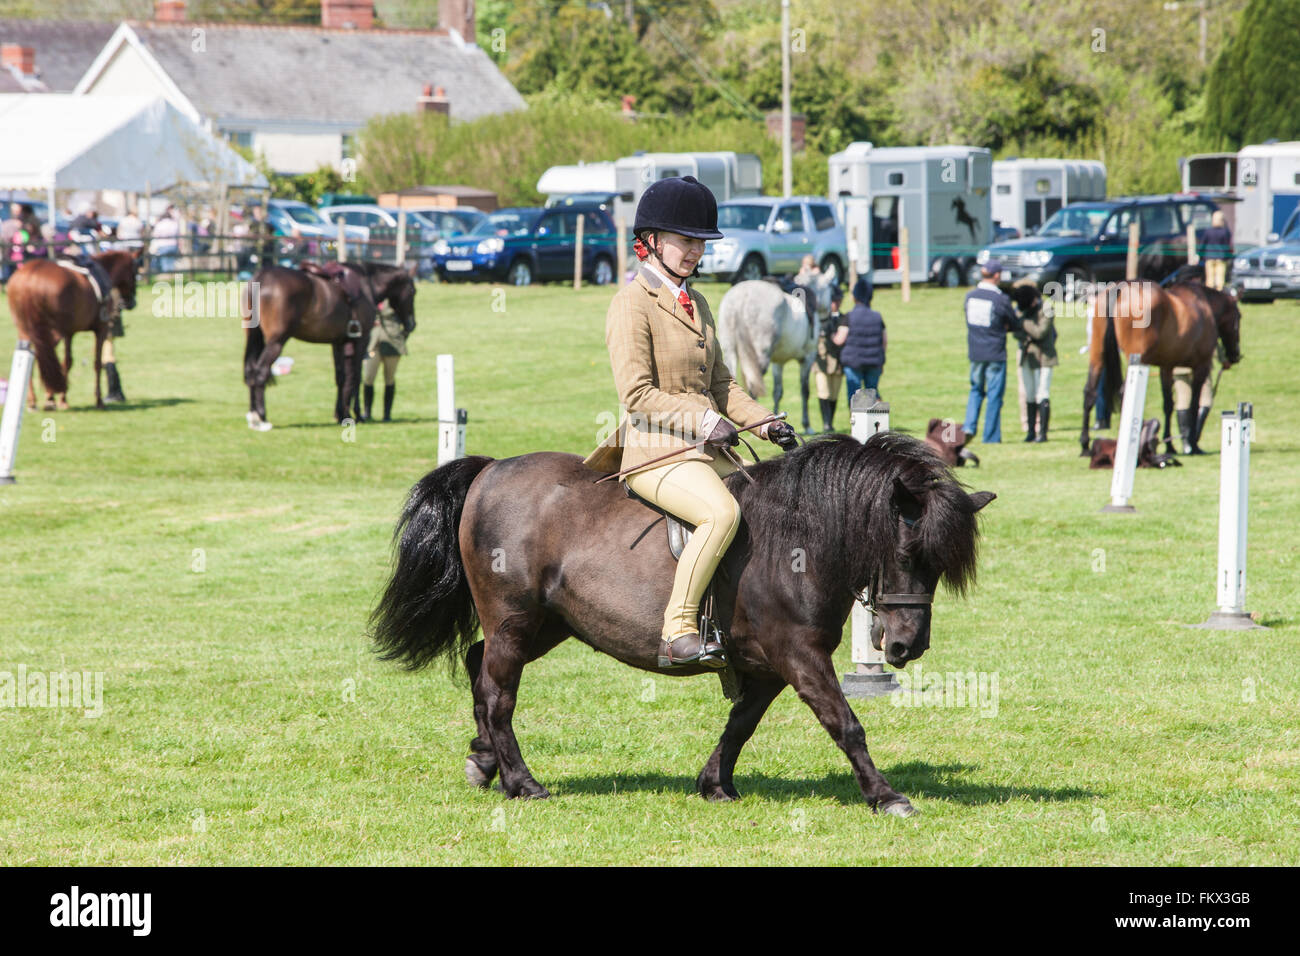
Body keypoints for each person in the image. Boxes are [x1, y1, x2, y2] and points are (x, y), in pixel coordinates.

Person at [582, 176, 797, 670]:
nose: (696, 251)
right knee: (720, 514)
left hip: (706, 450)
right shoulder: (630, 304)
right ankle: (678, 628)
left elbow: (721, 385)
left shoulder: (696, 303)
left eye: (701, 242)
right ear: (653, 241)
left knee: (772, 505)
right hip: (655, 452)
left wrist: (765, 424)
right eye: (686, 240)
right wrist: (702, 420)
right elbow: (636, 394)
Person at [961, 259, 1021, 443]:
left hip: (976, 351)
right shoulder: (1000, 299)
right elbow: (1014, 323)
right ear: (996, 275)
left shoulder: (970, 297)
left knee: (976, 390)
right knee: (994, 395)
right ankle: (991, 436)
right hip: (995, 352)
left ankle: (969, 426)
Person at [1009, 278, 1058, 442]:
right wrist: (1023, 326)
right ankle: (1031, 432)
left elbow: (1040, 332)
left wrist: (1023, 323)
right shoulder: (1024, 310)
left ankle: (1042, 433)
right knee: (1029, 394)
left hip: (1044, 357)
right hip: (1027, 357)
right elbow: (1015, 332)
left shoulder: (1047, 307)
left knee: (1042, 393)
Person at [837, 276, 887, 406]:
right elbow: (884, 341)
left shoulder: (849, 316)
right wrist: (881, 361)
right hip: (874, 362)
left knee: (854, 396)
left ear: (855, 297)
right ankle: (875, 421)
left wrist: (830, 335)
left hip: (853, 362)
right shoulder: (877, 317)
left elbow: (839, 339)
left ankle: (856, 423)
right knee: (873, 393)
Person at [362, 305, 415, 422]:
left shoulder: (396, 298)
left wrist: (401, 337)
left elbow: (410, 321)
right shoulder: (372, 295)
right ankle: (367, 412)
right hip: (372, 343)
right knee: (368, 377)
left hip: (393, 343)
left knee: (389, 379)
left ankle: (387, 414)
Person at [813, 284, 848, 432]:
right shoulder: (819, 320)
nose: (836, 303)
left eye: (838, 300)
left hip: (838, 362)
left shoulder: (844, 318)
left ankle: (830, 422)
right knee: (823, 391)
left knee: (834, 394)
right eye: (834, 300)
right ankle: (826, 423)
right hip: (821, 360)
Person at [1200, 209, 1232, 290]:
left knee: (1210, 280)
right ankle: (1218, 296)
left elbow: (1202, 244)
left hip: (1209, 258)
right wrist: (1228, 257)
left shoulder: (1208, 231)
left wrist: (1200, 254)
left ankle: (1210, 296)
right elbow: (1228, 246)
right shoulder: (1225, 232)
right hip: (1221, 258)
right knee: (1220, 280)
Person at [150, 206, 180, 273]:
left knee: (164, 262)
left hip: (162, 245)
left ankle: (167, 277)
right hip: (173, 245)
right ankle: (171, 277)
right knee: (171, 262)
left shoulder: (160, 224)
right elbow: (178, 235)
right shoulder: (174, 224)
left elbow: (155, 235)